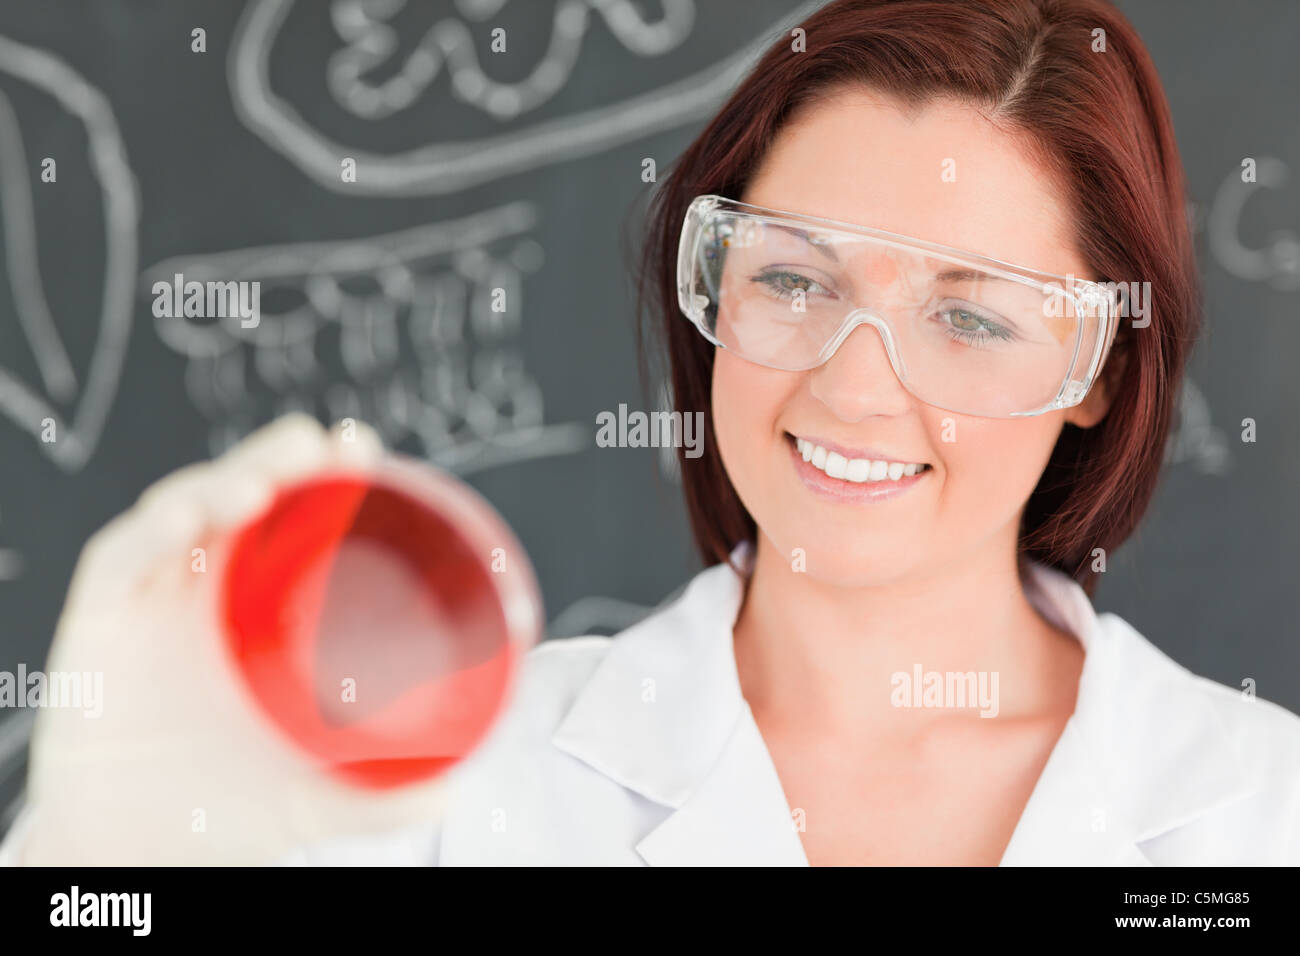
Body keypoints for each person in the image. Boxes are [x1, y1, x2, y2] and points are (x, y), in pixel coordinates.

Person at [4, 0, 1299, 866]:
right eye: (794, 281)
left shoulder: (1261, 811)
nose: (854, 393)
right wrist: (91, 856)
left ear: (1095, 374)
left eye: (971, 318)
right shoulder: (454, 797)